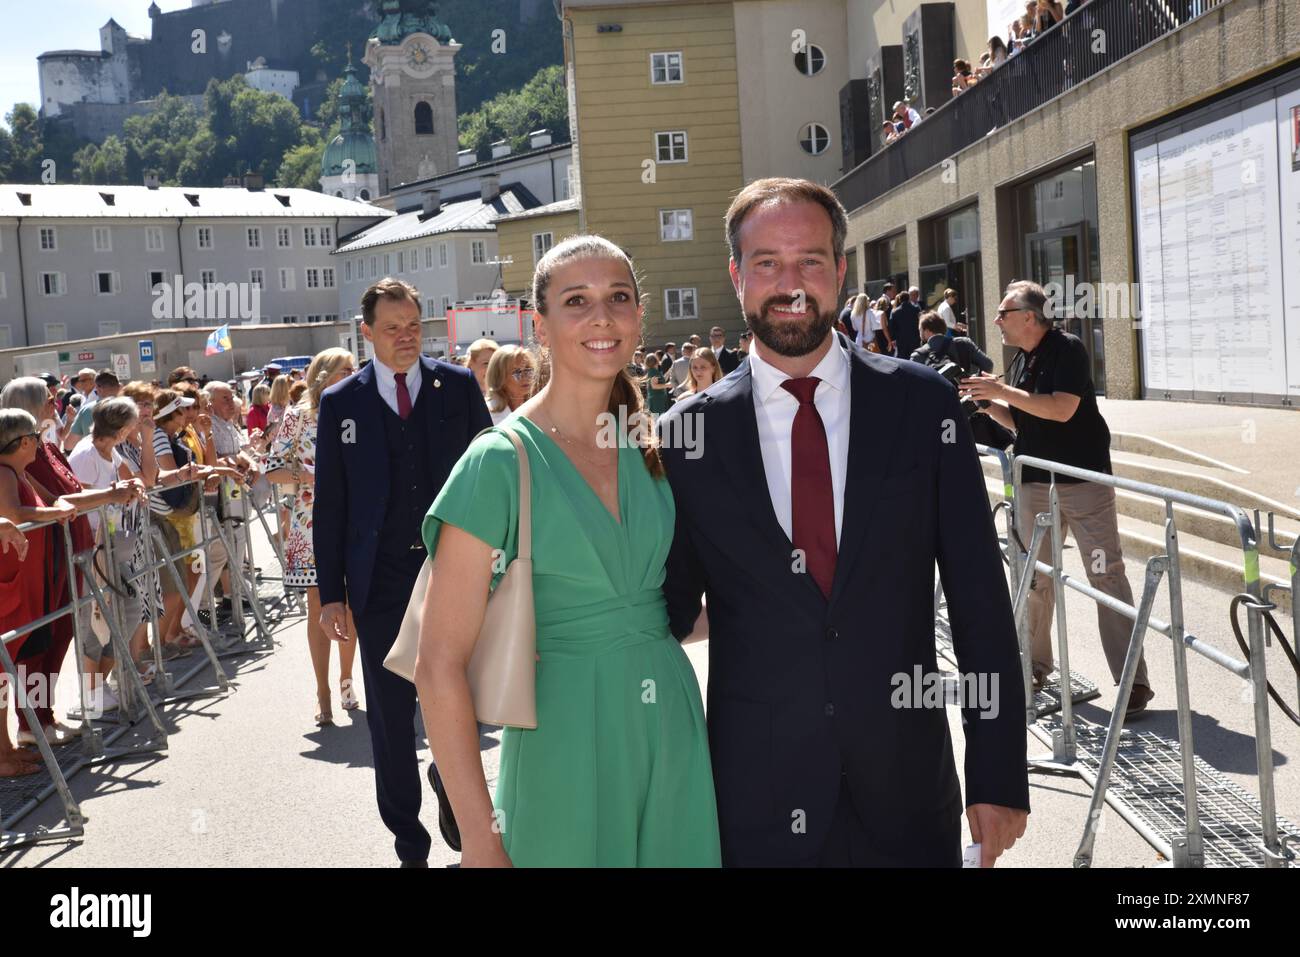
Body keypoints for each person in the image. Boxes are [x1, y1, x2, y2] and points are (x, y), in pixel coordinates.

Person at [660, 177, 1028, 867]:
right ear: (737, 276)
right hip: (756, 800)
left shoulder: (922, 407)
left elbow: (980, 600)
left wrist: (998, 772)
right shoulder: (687, 437)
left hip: (908, 792)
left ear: (841, 272)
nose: (790, 283)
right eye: (767, 262)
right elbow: (664, 611)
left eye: (811, 261)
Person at [413, 235, 720, 867]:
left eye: (618, 298)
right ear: (541, 325)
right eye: (576, 300)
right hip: (562, 742)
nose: (601, 317)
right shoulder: (498, 461)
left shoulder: (652, 447)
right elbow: (438, 663)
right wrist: (478, 838)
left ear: (638, 316)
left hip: (672, 729)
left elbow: (673, 613)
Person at [313, 278, 493, 867]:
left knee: (461, 697)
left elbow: (492, 476)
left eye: (413, 326)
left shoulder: (459, 387)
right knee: (390, 718)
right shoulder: (342, 403)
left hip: (454, 572)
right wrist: (331, 593)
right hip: (381, 582)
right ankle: (408, 841)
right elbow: (331, 504)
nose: (405, 338)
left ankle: (451, 776)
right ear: (365, 332)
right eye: (391, 329)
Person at [960, 281, 1154, 718]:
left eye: (1003, 312)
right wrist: (988, 405)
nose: (996, 321)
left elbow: (1061, 409)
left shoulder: (1068, 348)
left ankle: (1133, 682)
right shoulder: (1022, 359)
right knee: (1035, 579)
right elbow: (1025, 422)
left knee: (1106, 576)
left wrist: (1002, 392)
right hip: (1034, 484)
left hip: (1082, 483)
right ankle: (1035, 667)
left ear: (1030, 316)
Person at [0, 377, 136, 745]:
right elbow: (47, 505)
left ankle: (42, 718)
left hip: (64, 556)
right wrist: (109, 494)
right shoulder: (20, 459)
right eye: (47, 400)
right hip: (42, 563)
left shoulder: (45, 449)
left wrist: (110, 493)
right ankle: (32, 724)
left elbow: (69, 495)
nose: (54, 405)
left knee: (57, 637)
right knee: (34, 645)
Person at [265, 348, 359, 726]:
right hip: (311, 524)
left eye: (354, 369)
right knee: (319, 604)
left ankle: (346, 679)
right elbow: (272, 470)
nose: (352, 375)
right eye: (344, 370)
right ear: (323, 376)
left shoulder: (362, 411)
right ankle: (322, 691)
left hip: (356, 521)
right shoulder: (296, 418)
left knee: (351, 601)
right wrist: (308, 478)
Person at [0, 409, 78, 772]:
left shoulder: (16, 472)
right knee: (2, 669)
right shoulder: (3, 472)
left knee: (6, 669)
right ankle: (2, 753)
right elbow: (14, 515)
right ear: (26, 441)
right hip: (11, 582)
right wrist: (54, 514)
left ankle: (7, 747)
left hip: (24, 580)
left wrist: (55, 510)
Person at [67, 397, 148, 713]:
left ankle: (100, 684)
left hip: (110, 544)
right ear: (124, 427)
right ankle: (90, 693)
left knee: (128, 609)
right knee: (91, 620)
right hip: (90, 547)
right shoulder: (86, 453)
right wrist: (116, 493)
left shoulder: (108, 450)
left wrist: (133, 486)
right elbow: (76, 496)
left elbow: (129, 475)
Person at [64, 371, 120, 451]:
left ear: (97, 388)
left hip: (96, 459)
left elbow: (68, 445)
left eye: (83, 380)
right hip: (128, 460)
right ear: (119, 386)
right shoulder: (131, 408)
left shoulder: (87, 410)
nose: (81, 383)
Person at [484, 344, 538, 426]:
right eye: (517, 372)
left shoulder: (538, 407)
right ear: (500, 377)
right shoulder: (487, 413)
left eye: (528, 369)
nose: (524, 377)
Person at [888, 289, 922, 360]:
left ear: (899, 300)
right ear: (909, 298)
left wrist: (893, 339)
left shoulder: (895, 312)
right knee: (915, 358)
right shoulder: (916, 309)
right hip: (914, 338)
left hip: (901, 340)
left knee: (903, 359)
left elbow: (892, 327)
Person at [642, 353, 672, 417]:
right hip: (657, 401)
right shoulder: (653, 371)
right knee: (657, 420)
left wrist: (669, 371)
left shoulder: (654, 371)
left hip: (658, 399)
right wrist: (668, 385)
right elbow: (654, 386)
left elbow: (662, 380)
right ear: (656, 361)